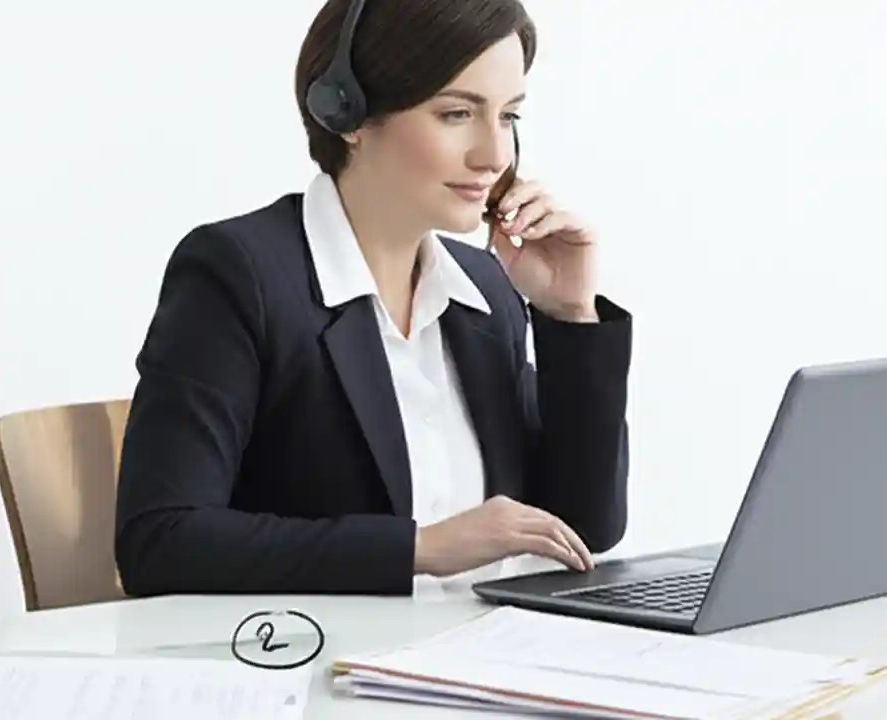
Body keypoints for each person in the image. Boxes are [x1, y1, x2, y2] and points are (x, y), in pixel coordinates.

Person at [114, 0, 632, 597]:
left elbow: (584, 529)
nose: (495, 156)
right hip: (323, 670)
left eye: (509, 117)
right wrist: (420, 548)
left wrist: (568, 315)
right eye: (458, 113)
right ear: (347, 113)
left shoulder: (485, 288)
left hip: (488, 659)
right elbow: (159, 543)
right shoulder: (240, 276)